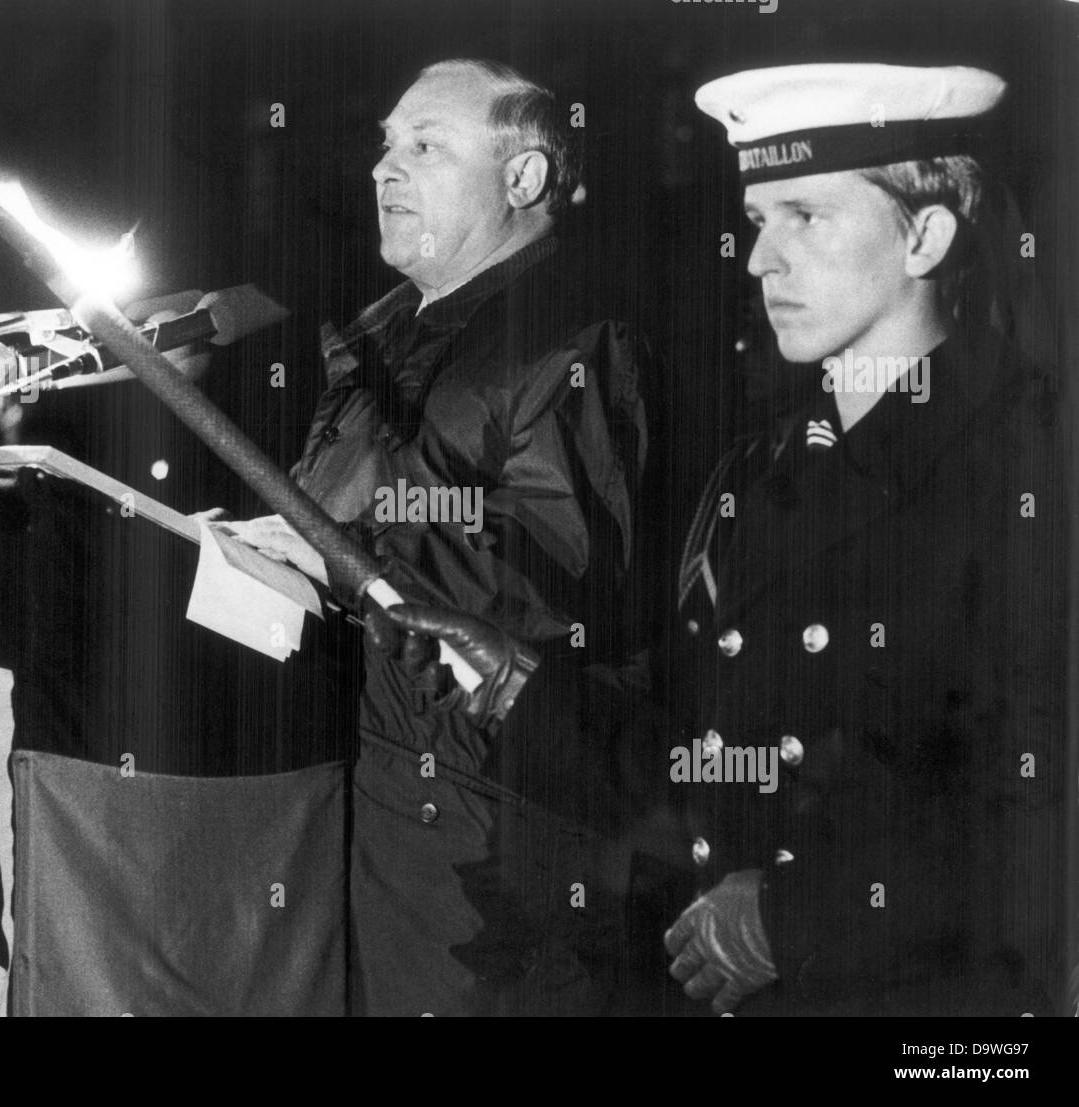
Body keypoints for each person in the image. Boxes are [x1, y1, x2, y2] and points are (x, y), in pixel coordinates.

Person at [220, 57, 651, 1015]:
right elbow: (353, 517)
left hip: (502, 829)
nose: (385, 168)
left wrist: (353, 535)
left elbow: (555, 582)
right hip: (390, 789)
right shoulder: (391, 335)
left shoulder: (576, 339)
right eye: (384, 145)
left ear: (524, 178)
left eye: (425, 145)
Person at [665, 63, 1067, 1016]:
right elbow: (701, 730)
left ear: (924, 235)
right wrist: (516, 680)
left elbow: (1043, 817)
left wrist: (796, 917)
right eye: (760, 221)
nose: (762, 259)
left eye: (805, 216)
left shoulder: (1032, 461)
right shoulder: (763, 462)